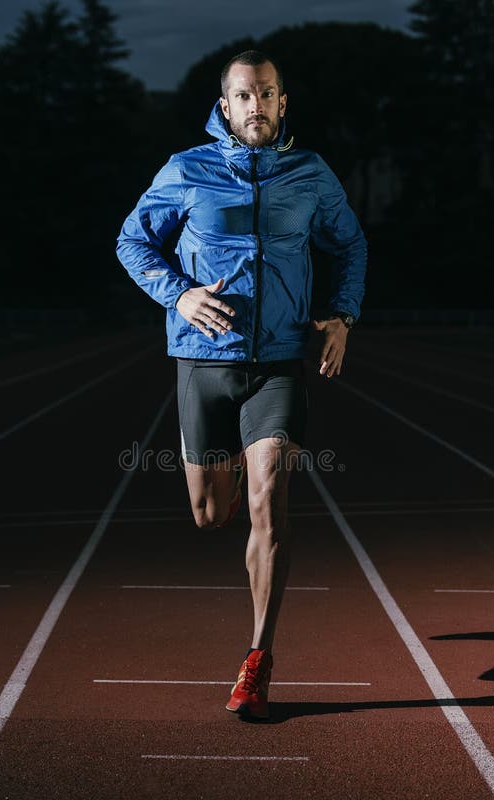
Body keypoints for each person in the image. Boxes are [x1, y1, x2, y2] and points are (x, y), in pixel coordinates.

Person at [116, 49, 367, 719]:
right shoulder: (186, 170)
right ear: (225, 107)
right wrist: (180, 296)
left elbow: (349, 244)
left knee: (270, 499)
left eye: (267, 93)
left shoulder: (310, 174)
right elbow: (132, 243)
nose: (256, 104)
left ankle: (257, 661)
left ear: (283, 103)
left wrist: (341, 316)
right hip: (202, 361)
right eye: (243, 95)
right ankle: (219, 493)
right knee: (208, 514)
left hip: (279, 364)